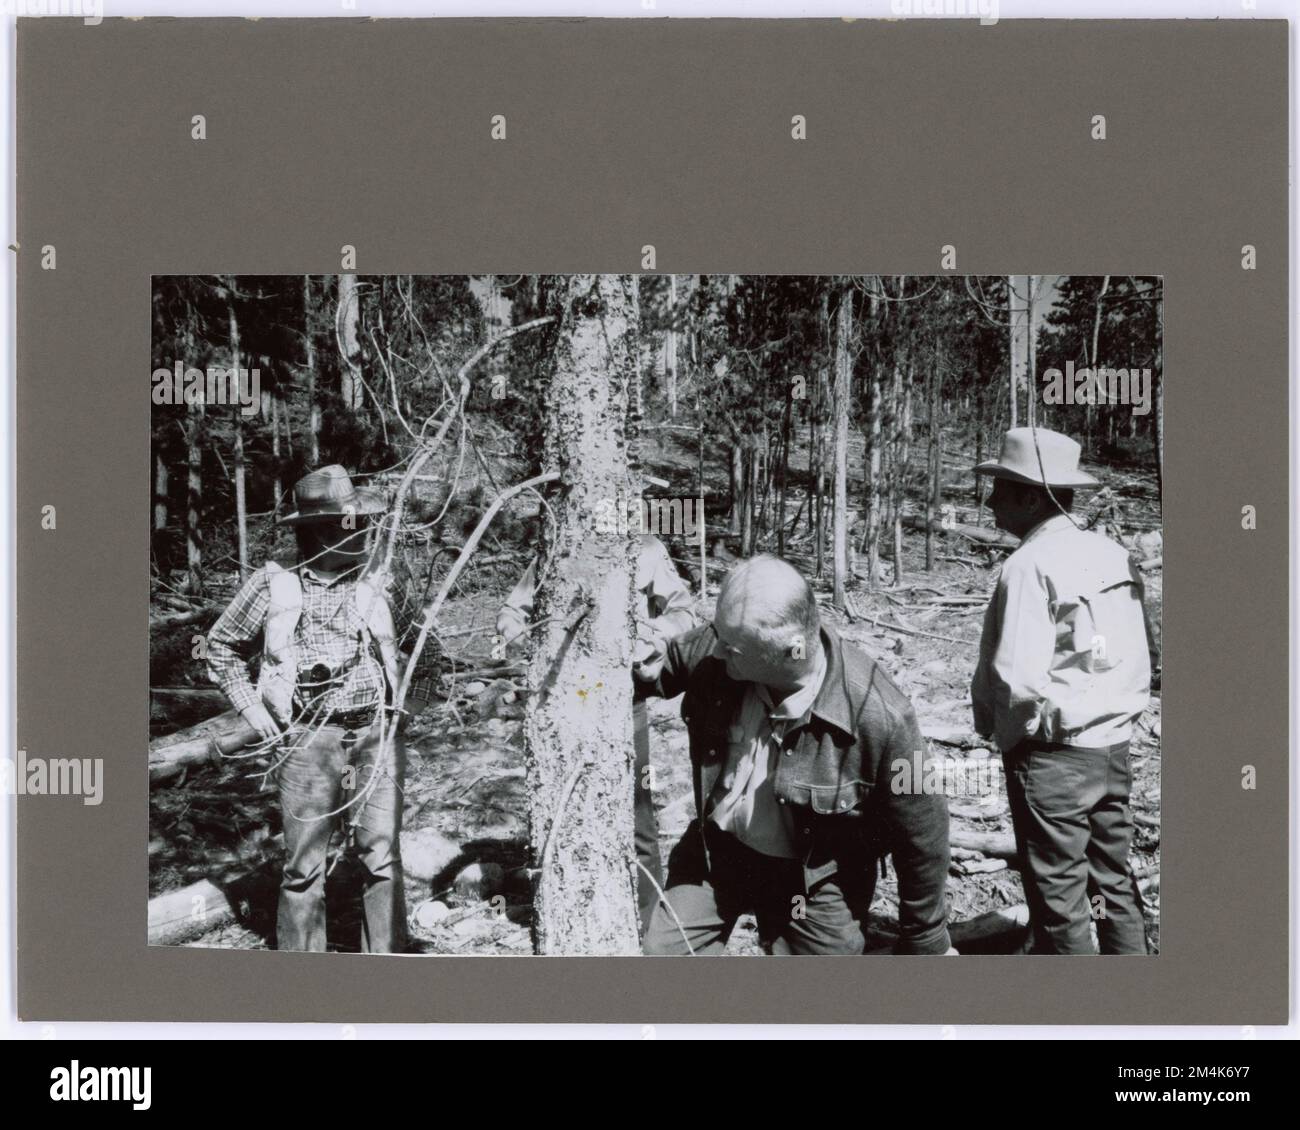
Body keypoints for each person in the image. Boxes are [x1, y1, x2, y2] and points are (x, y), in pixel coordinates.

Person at [636, 554, 952, 956]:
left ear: (790, 651)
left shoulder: (879, 716)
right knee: (662, 960)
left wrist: (926, 939)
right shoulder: (721, 648)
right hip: (718, 854)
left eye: (731, 649)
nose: (715, 652)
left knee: (816, 1006)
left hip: (812, 875)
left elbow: (923, 830)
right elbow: (654, 670)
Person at [207, 465, 407, 953]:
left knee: (381, 857)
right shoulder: (274, 586)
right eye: (346, 523)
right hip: (306, 742)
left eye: (360, 522)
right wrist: (254, 712)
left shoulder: (379, 583)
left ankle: (391, 972)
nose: (358, 531)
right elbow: (220, 647)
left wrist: (407, 710)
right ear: (314, 531)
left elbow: (422, 648)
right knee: (303, 868)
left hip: (376, 737)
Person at [971, 427, 1152, 955]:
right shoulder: (1111, 554)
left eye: (1001, 489)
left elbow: (1018, 681)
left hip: (1052, 757)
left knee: (1059, 903)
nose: (990, 502)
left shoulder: (1028, 565)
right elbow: (1141, 653)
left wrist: (1012, 742)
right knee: (1113, 884)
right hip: (1111, 751)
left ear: (1031, 496)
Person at [497, 528, 697, 935]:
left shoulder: (645, 549)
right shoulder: (560, 545)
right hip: (562, 700)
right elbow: (512, 612)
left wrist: (654, 640)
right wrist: (520, 640)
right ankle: (572, 920)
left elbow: (684, 613)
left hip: (622, 698)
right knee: (563, 809)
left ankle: (648, 927)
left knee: (636, 812)